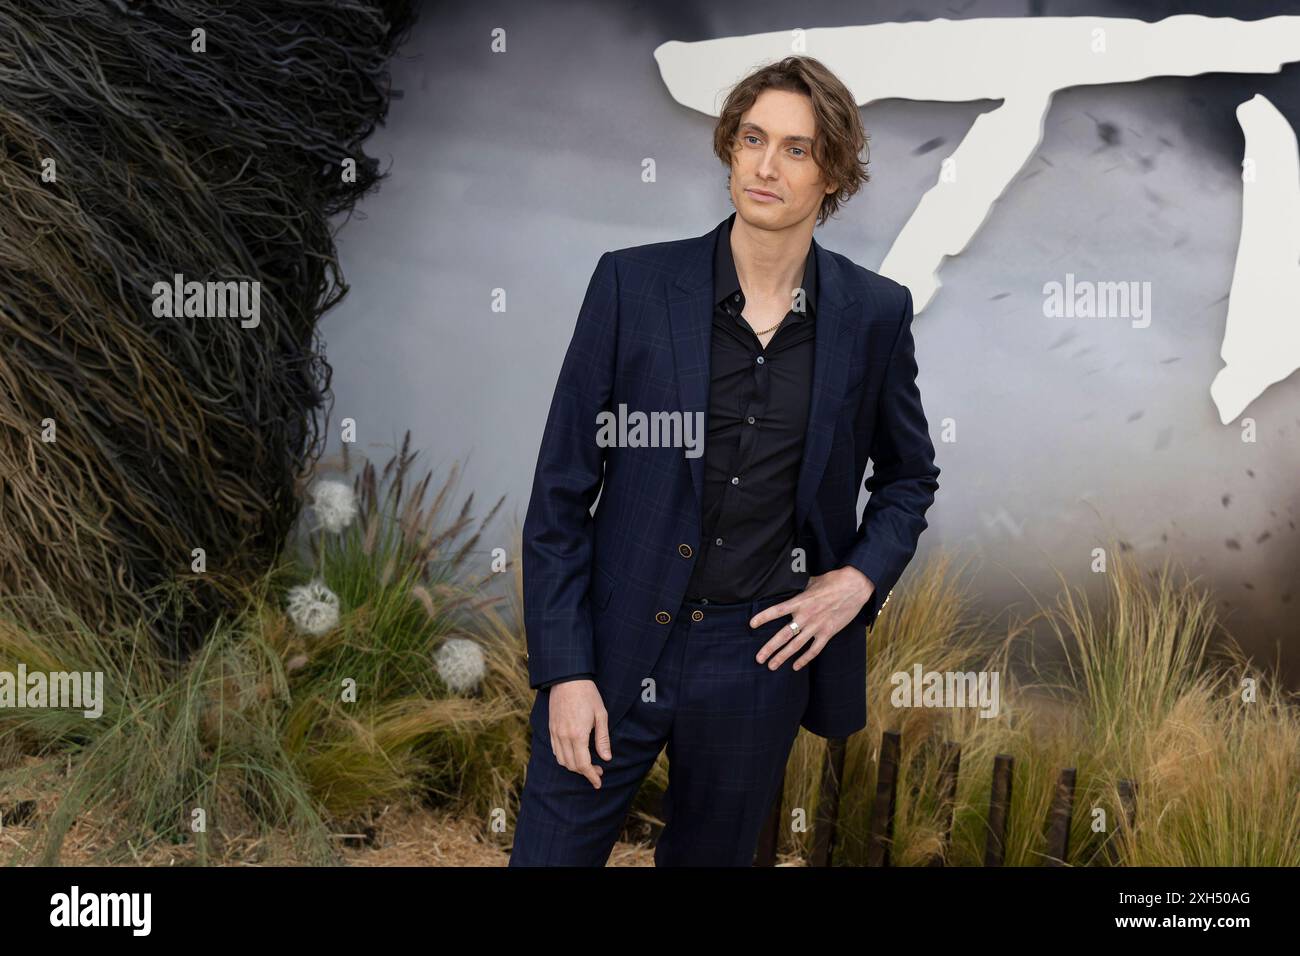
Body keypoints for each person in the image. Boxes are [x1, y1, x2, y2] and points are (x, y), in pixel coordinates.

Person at [511, 55, 940, 867]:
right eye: (752, 139)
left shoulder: (875, 314)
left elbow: (909, 477)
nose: (765, 165)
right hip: (612, 647)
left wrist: (855, 582)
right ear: (730, 149)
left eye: (796, 149)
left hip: (755, 661)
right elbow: (561, 492)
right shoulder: (631, 286)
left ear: (834, 177)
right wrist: (565, 672)